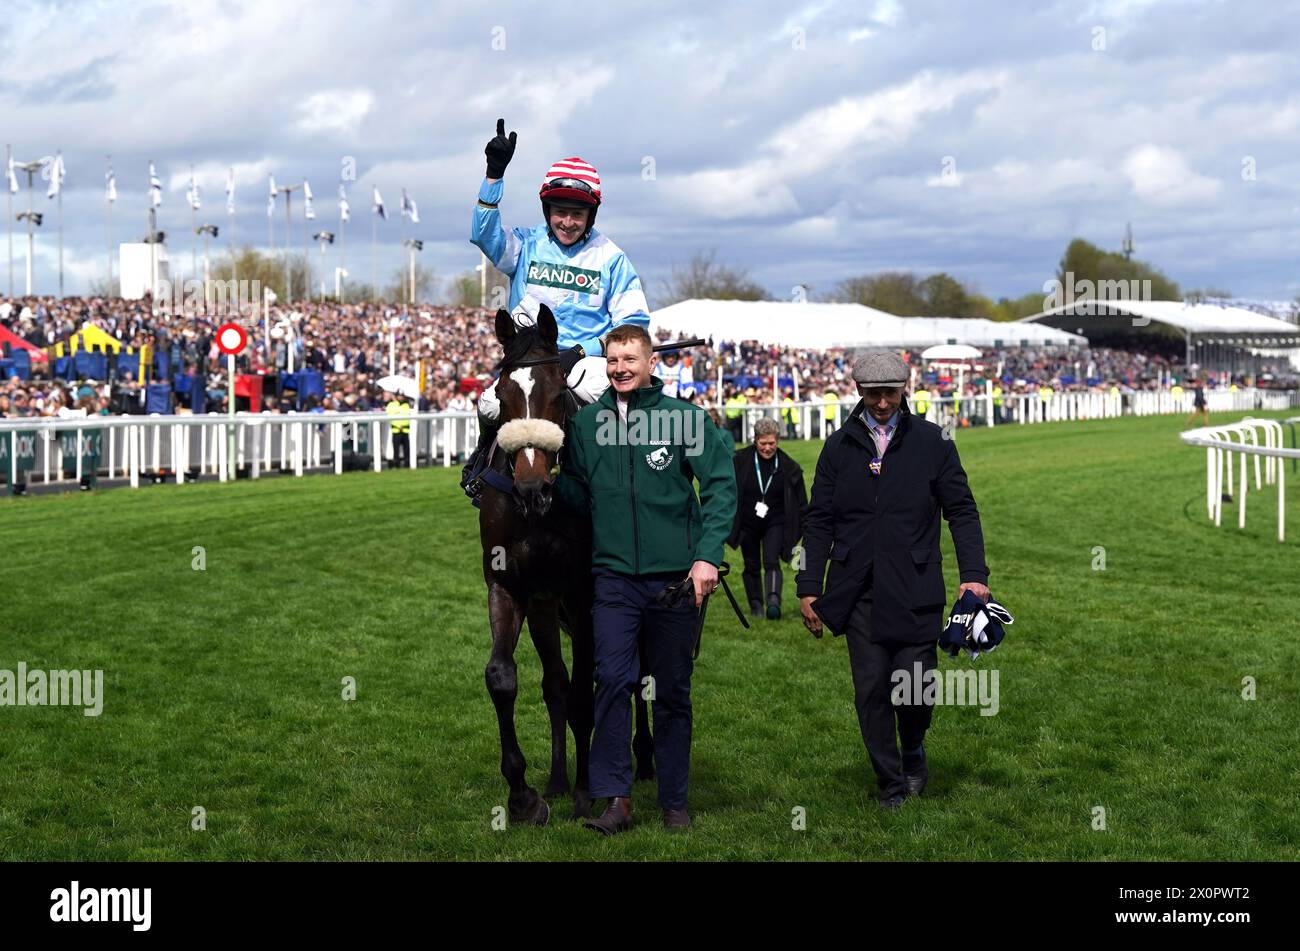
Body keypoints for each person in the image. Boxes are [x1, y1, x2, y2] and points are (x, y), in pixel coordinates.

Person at [554, 322, 737, 835]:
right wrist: (543, 481)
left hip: (675, 581)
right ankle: (617, 799)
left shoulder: (685, 419)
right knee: (612, 681)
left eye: (630, 359)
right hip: (613, 578)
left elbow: (721, 486)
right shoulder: (586, 424)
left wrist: (707, 557)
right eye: (613, 361)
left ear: (651, 363)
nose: (620, 369)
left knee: (672, 692)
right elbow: (577, 493)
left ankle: (675, 802)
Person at [796, 350, 990, 809]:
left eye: (890, 393)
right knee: (871, 692)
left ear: (905, 389)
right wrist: (808, 585)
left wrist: (973, 576)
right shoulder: (838, 446)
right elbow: (819, 520)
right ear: (858, 391)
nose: (882, 403)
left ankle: (913, 748)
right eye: (873, 394)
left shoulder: (934, 442)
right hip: (857, 592)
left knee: (916, 688)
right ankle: (890, 784)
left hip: (915, 587)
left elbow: (962, 510)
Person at [460, 118, 650, 500]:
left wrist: (580, 351)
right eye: (560, 211)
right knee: (488, 403)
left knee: (604, 393)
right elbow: (483, 235)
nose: (567, 222)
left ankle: (625, 485)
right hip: (530, 360)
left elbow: (633, 324)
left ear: (591, 215)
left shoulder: (611, 259)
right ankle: (483, 461)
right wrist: (493, 176)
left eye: (577, 214)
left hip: (584, 363)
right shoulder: (526, 244)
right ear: (547, 209)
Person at [726, 417, 807, 620]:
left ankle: (773, 602)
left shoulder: (790, 467)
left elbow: (801, 503)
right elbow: (726, 492)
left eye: (772, 443)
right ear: (755, 440)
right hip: (747, 523)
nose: (768, 448)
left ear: (778, 440)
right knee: (751, 564)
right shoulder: (739, 461)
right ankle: (756, 606)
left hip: (776, 522)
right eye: (763, 443)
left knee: (772, 560)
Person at [385, 389, 411, 467]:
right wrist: (398, 426)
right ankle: (397, 464)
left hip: (405, 430)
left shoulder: (406, 405)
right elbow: (390, 417)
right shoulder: (391, 405)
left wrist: (403, 426)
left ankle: (407, 464)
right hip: (396, 430)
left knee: (407, 449)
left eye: (402, 396)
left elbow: (408, 417)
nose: (401, 397)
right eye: (399, 396)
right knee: (396, 449)